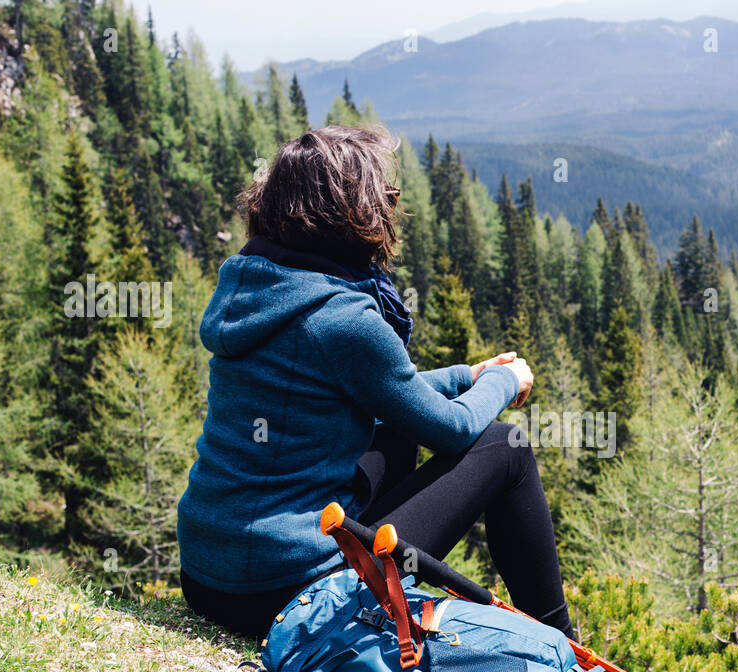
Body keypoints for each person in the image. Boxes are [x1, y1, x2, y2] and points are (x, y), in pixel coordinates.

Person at [176, 125, 575, 639]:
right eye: (383, 198)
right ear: (348, 212)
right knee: (506, 447)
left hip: (208, 580)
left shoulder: (255, 284)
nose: (388, 211)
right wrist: (501, 380)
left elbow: (376, 393)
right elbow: (452, 431)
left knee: (394, 432)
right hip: (284, 594)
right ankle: (564, 646)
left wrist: (465, 375)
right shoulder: (342, 317)